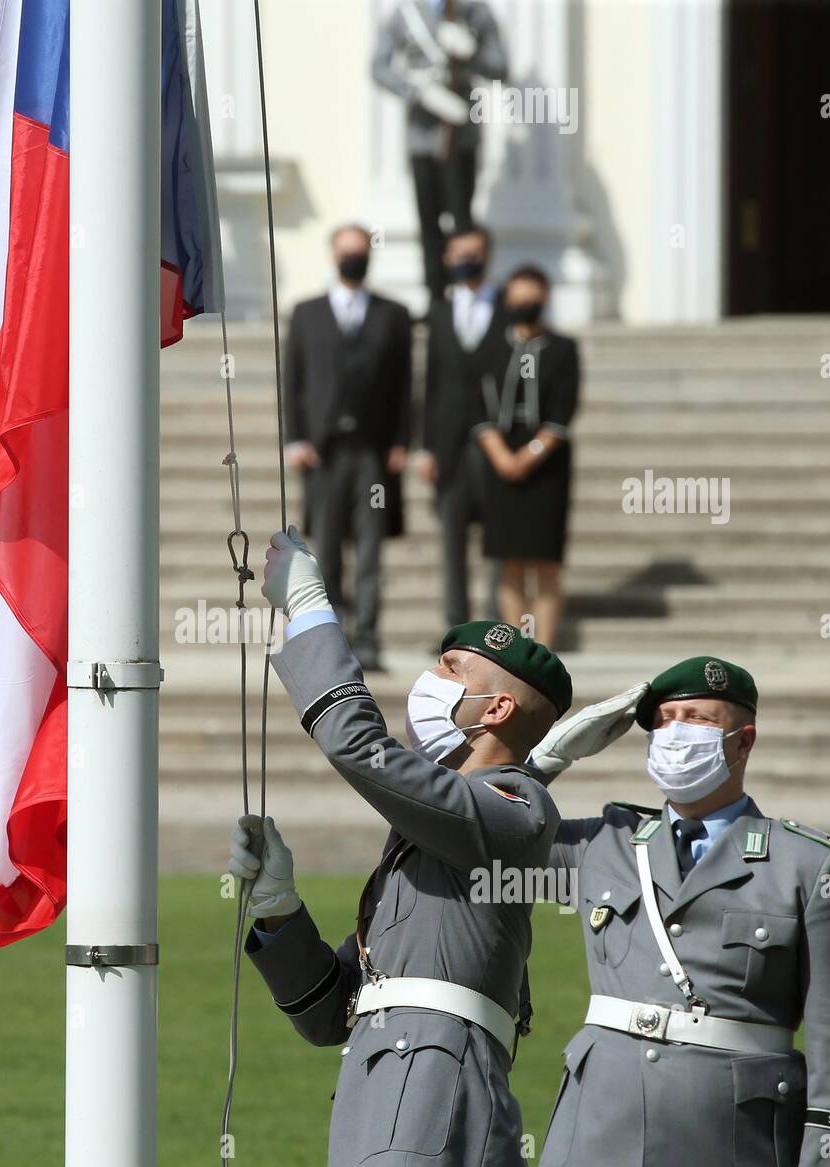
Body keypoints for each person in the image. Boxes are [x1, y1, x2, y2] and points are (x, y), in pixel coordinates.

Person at [228, 526, 572, 1167]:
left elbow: (359, 747)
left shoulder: (516, 807)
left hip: (439, 1164)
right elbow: (331, 1015)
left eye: (452, 668)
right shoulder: (435, 835)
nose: (432, 680)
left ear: (498, 710)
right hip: (388, 1158)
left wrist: (314, 609)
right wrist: (278, 911)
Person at [524, 657, 830, 1167]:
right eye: (663, 721)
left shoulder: (808, 863)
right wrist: (542, 764)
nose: (675, 733)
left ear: (743, 741)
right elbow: (473, 832)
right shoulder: (601, 843)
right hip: (608, 1163)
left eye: (695, 719)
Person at [285, 224, 411, 672]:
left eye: (360, 251)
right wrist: (295, 438)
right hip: (324, 452)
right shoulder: (306, 313)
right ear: (333, 254)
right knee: (327, 546)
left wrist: (401, 441)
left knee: (371, 548)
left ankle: (369, 636)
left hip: (373, 453)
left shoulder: (393, 315)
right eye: (347, 251)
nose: (353, 258)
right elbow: (294, 381)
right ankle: (333, 639)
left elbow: (404, 385)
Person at [470, 264, 580, 648]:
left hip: (546, 463)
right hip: (500, 459)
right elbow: (478, 406)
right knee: (509, 559)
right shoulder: (491, 347)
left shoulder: (564, 349)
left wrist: (530, 455)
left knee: (544, 561)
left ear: (545, 298)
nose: (524, 304)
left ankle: (545, 648)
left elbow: (563, 410)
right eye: (518, 297)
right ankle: (517, 648)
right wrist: (501, 456)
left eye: (532, 297)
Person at [371, 1, 507, 300]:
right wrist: (416, 92)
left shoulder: (474, 10)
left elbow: (500, 68)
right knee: (428, 222)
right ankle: (436, 300)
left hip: (461, 135)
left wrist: (471, 53)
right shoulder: (406, 12)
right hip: (422, 135)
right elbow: (378, 67)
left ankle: (467, 295)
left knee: (462, 221)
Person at [420, 224, 505, 630]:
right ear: (446, 259)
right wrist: (426, 447)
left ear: (488, 255)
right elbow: (431, 382)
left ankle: (495, 628)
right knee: (451, 542)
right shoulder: (438, 310)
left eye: (474, 252)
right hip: (450, 445)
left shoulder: (508, 307)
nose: (466, 260)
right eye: (458, 253)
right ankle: (455, 628)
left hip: (498, 443)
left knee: (497, 543)